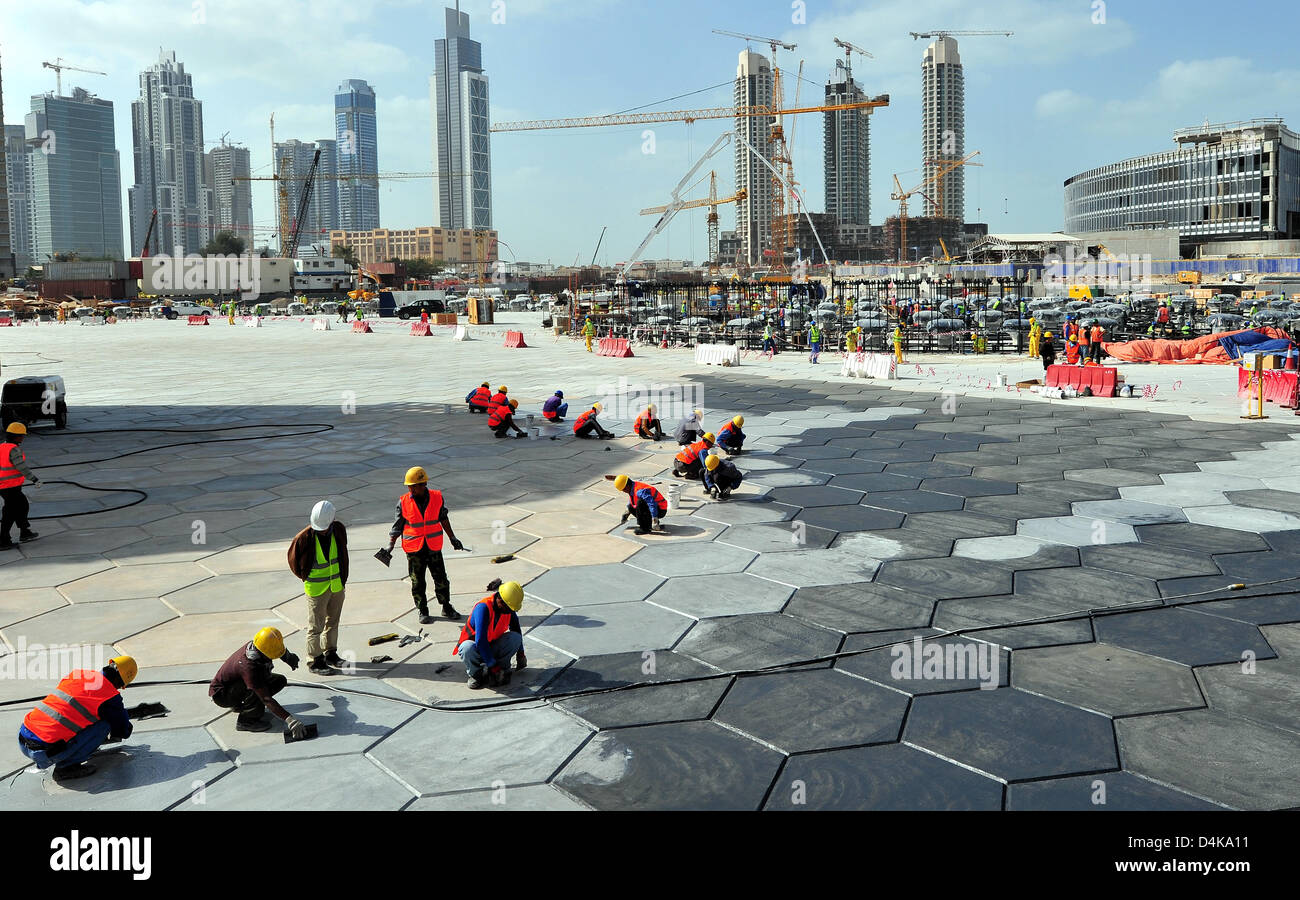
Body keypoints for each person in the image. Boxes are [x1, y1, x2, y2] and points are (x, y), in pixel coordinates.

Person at [19, 656, 137, 781]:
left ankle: (72, 752)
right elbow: (123, 730)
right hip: (46, 751)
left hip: (23, 738)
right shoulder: (110, 696)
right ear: (121, 683)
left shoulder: (78, 675)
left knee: (82, 718)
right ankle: (65, 768)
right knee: (105, 725)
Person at [386, 467, 464, 624]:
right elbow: (397, 526)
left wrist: (453, 537)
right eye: (409, 486)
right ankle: (422, 610)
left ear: (423, 484)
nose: (411, 489)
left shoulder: (437, 497)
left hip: (433, 546)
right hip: (414, 549)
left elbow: (443, 519)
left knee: (441, 578)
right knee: (417, 581)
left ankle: (446, 606)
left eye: (413, 486)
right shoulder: (403, 501)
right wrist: (390, 545)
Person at [287, 500, 350, 676]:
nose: (321, 530)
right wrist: (305, 577)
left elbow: (342, 552)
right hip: (316, 589)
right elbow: (294, 562)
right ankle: (314, 660)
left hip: (336, 585)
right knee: (316, 626)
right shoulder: (303, 538)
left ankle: (330, 652)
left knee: (333, 621)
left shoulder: (338, 529)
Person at [210, 627, 308, 738]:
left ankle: (245, 706)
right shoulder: (249, 666)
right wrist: (290, 720)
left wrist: (289, 658)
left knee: (279, 681)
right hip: (223, 696)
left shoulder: (259, 645)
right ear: (264, 652)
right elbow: (266, 699)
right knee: (257, 689)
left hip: (234, 686)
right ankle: (246, 721)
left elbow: (275, 649)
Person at [456, 580, 526, 689]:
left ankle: (501, 668)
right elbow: (480, 641)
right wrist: (492, 666)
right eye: (509, 609)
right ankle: (476, 674)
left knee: (515, 638)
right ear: (500, 600)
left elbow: (516, 629)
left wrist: (521, 653)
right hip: (476, 649)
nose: (510, 612)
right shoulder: (483, 608)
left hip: (492, 646)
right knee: (467, 648)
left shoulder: (508, 607)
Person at [0, 422, 41, 551]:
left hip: (5, 486)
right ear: (17, 436)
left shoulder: (2, 446)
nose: (23, 438)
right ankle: (3, 540)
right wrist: (34, 479)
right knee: (10, 512)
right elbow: (21, 467)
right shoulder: (13, 449)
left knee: (22, 505)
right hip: (9, 486)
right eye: (22, 436)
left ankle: (24, 532)